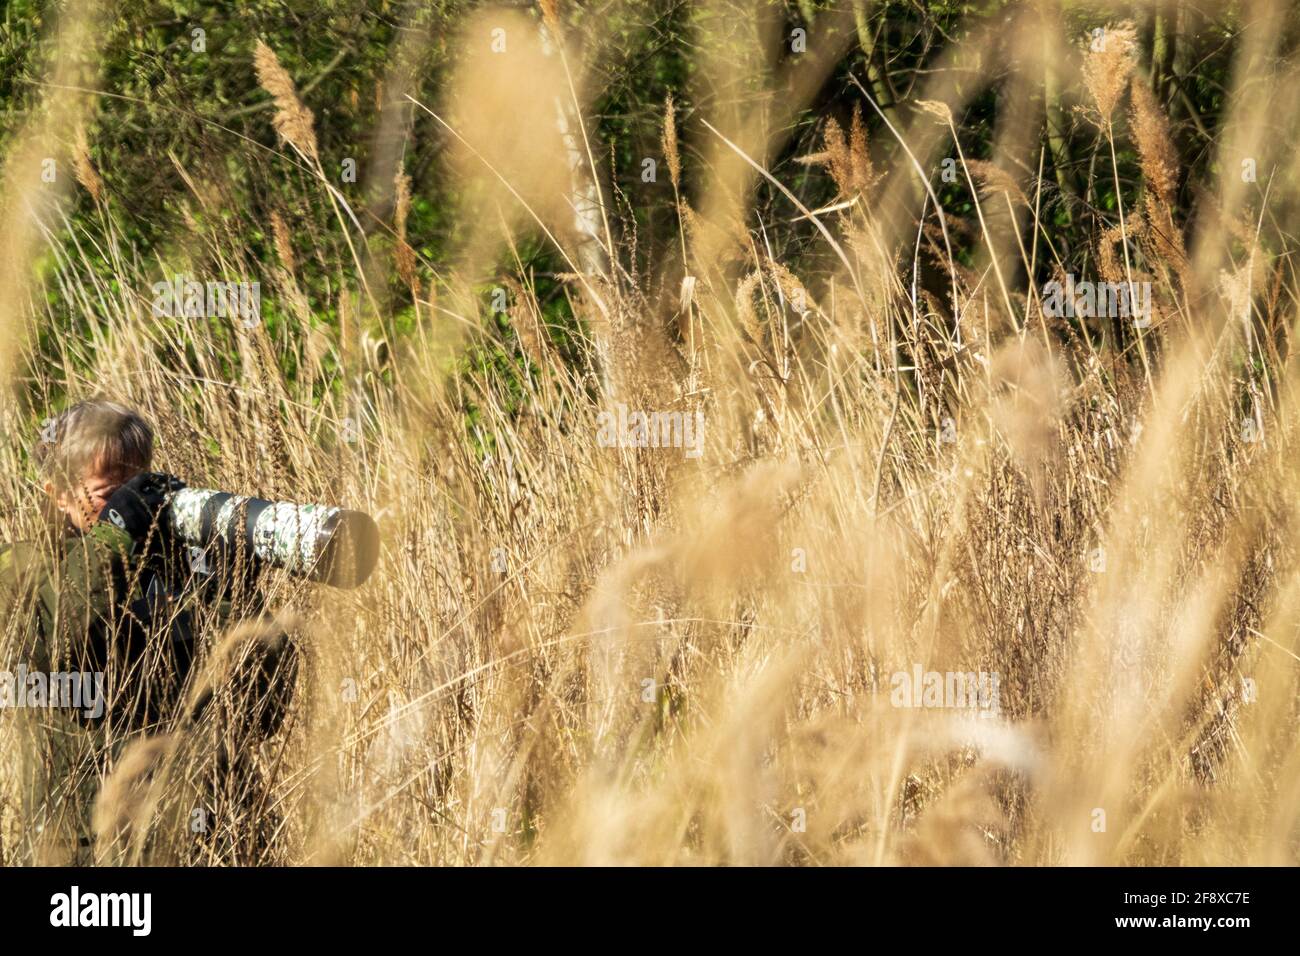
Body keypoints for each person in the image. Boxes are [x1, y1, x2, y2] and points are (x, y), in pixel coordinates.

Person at [0, 398, 296, 864]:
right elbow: (62, 644)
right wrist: (115, 537)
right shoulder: (23, 570)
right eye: (109, 494)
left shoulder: (184, 568)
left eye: (136, 488)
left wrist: (236, 586)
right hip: (102, 848)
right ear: (58, 494)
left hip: (217, 835)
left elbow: (265, 710)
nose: (134, 506)